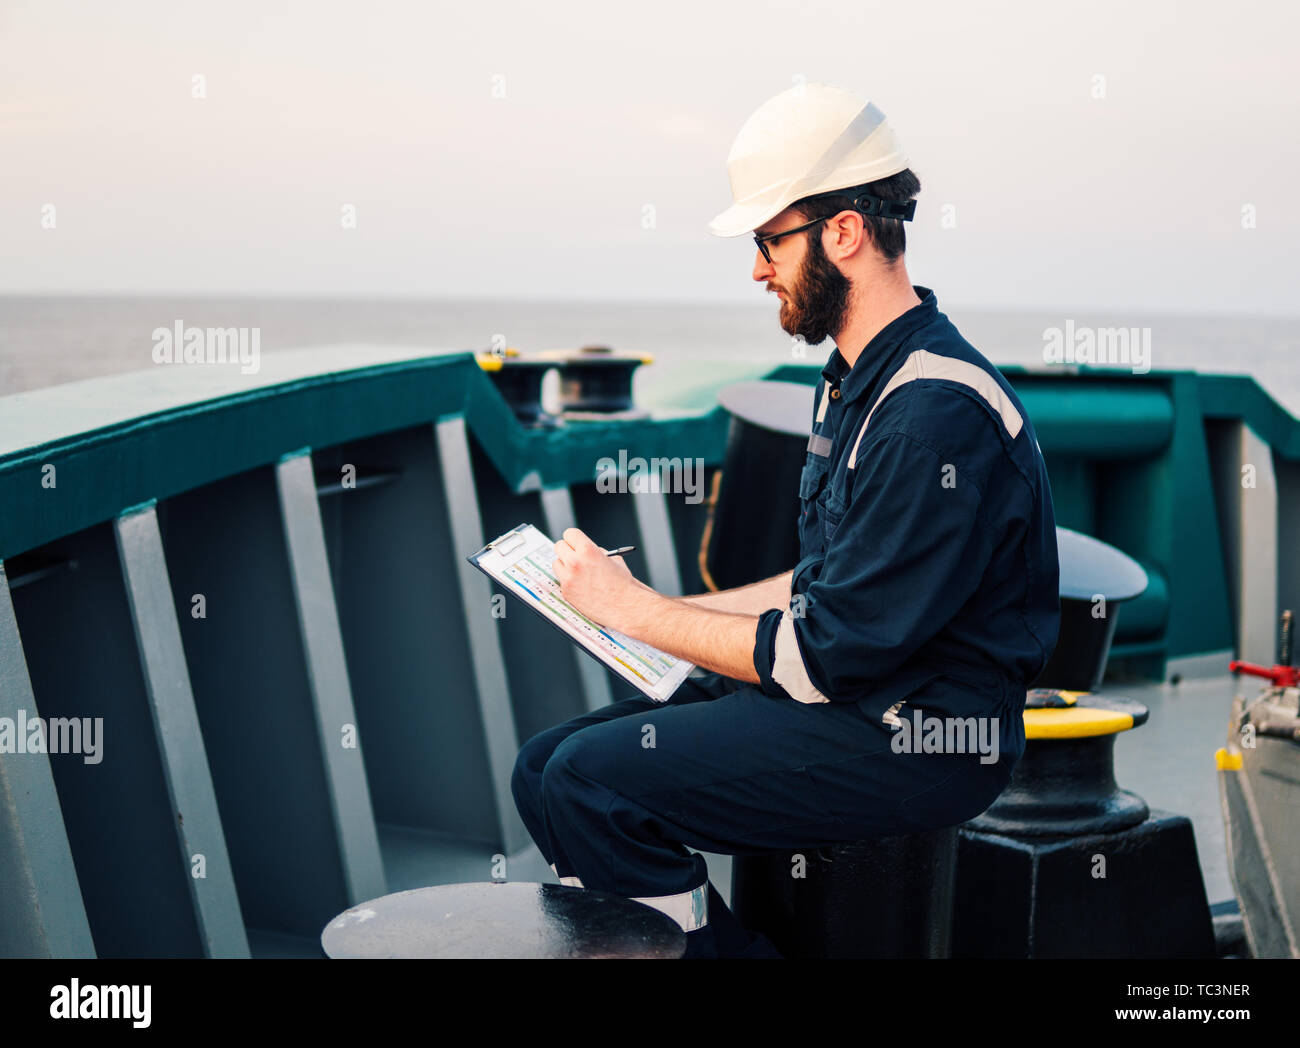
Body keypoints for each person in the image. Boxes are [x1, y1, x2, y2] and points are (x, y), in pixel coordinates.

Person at [511, 82, 1060, 958]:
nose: (759, 268)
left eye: (770, 241)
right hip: (859, 697)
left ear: (842, 233)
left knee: (589, 784)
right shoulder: (856, 381)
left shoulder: (931, 416)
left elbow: (823, 652)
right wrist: (655, 609)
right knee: (545, 764)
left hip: (920, 738)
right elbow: (822, 582)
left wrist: (633, 613)